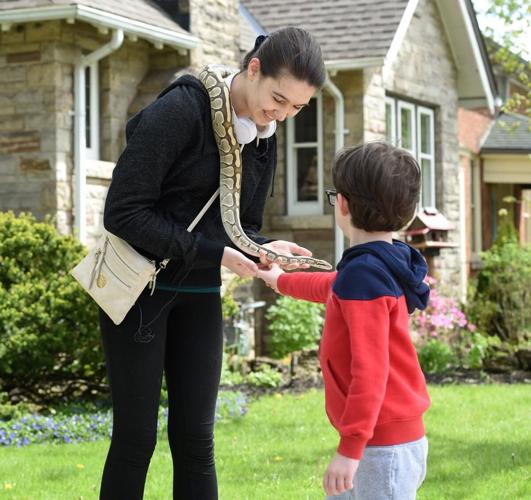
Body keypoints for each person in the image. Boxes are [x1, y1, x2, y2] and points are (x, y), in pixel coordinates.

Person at [98, 27, 326, 499]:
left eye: (296, 108)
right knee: (136, 440)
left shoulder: (263, 136)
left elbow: (241, 226)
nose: (281, 114)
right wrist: (214, 252)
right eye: (278, 99)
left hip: (200, 295)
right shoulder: (183, 109)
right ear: (254, 68)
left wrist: (268, 247)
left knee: (197, 441)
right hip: (142, 290)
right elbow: (123, 213)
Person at [257, 142, 432, 500]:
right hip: (390, 438)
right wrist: (278, 279)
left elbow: (371, 371)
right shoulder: (384, 260)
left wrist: (350, 449)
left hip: (378, 446)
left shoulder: (365, 273)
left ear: (343, 204)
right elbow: (331, 286)